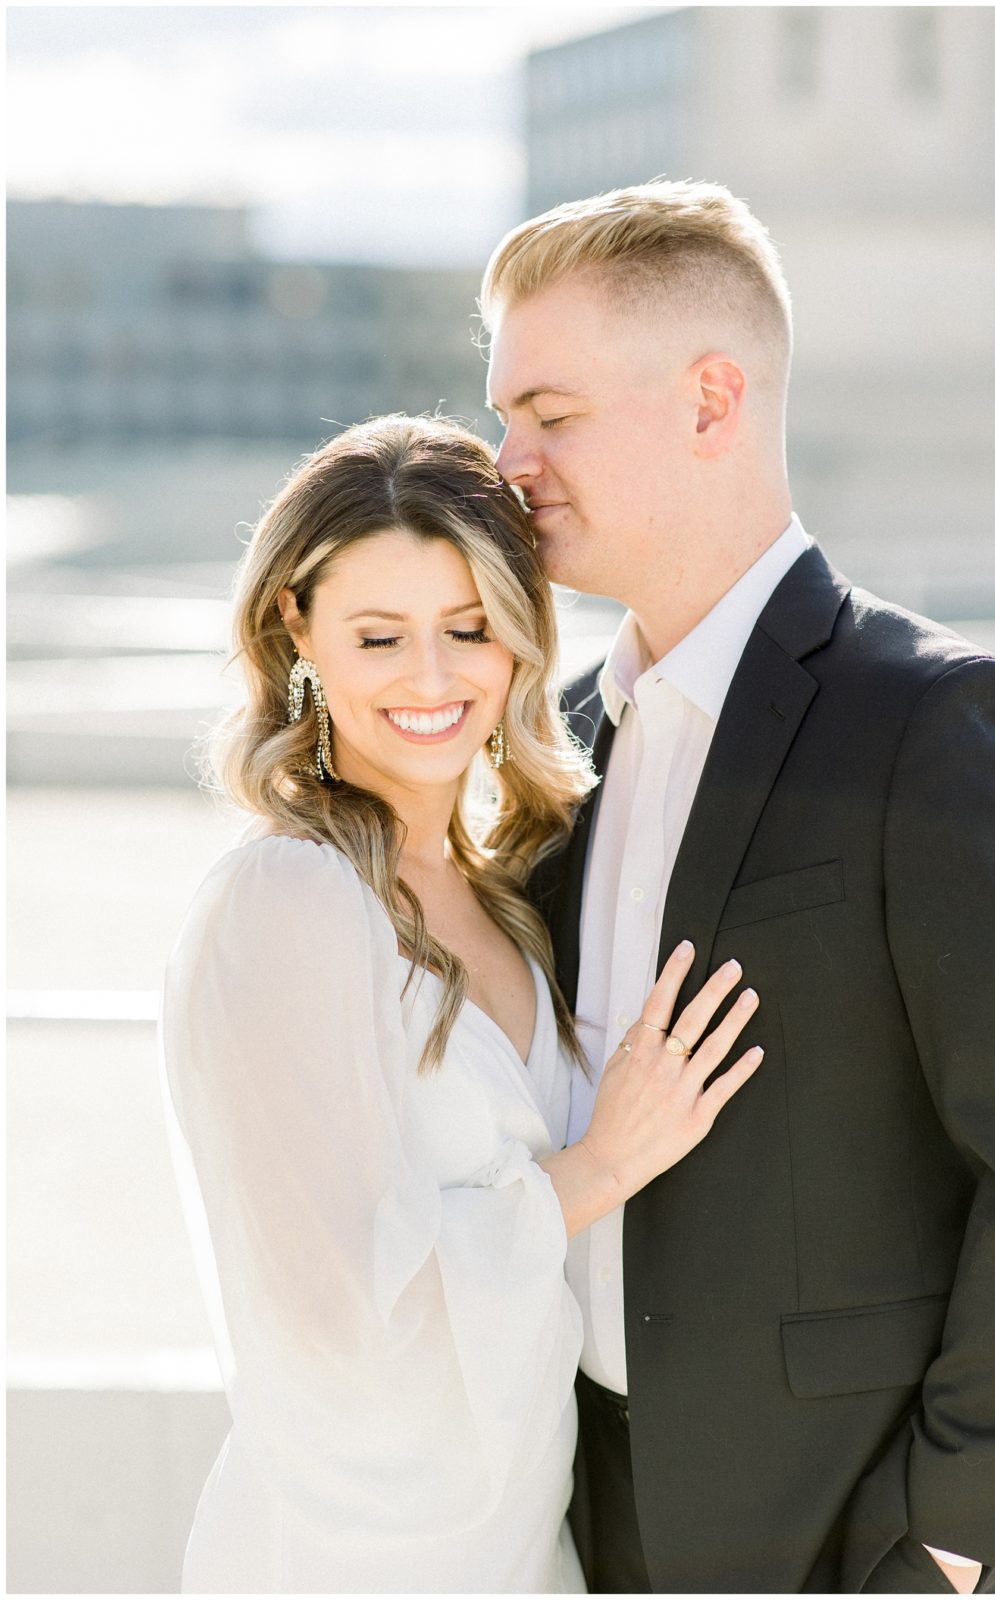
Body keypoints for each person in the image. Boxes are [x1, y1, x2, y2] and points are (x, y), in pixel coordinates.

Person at [482, 181, 995, 1594]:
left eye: (548, 415)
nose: (505, 461)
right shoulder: (554, 739)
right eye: (504, 416)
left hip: (840, 1541)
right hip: (573, 1521)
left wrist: (951, 1546)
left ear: (709, 399)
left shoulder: (935, 722)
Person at [159, 415, 764, 1593]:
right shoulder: (290, 899)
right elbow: (335, 1312)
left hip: (523, 1542)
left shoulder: (506, 898)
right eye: (379, 636)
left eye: (469, 629)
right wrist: (603, 1164)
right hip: (358, 1560)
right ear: (298, 627)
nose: (431, 681)